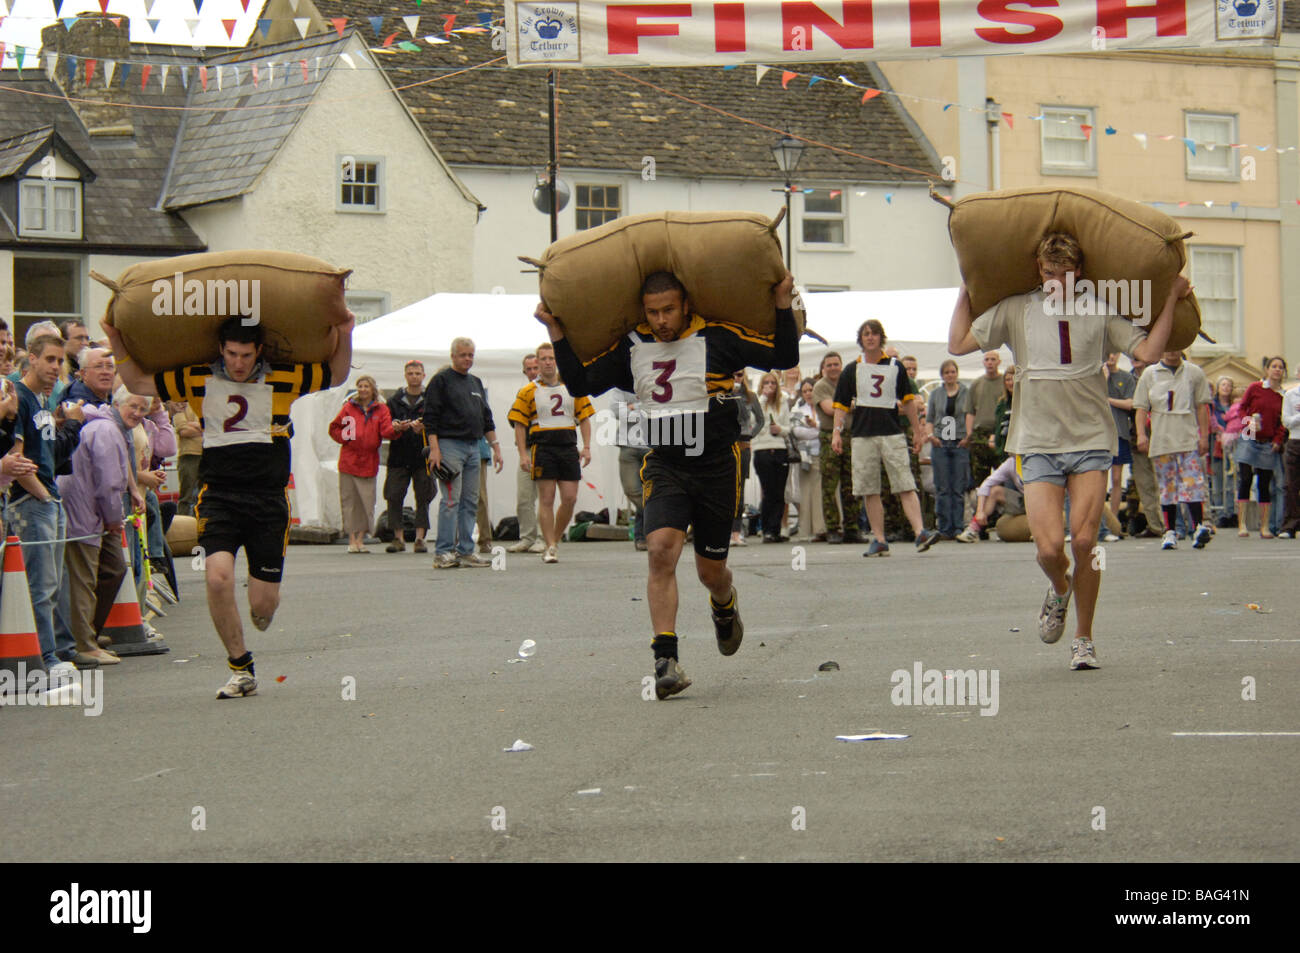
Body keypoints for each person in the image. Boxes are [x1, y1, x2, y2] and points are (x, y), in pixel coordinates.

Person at [536, 269, 798, 699]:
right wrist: (557, 332)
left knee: (710, 572)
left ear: (686, 305)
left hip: (717, 465)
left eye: (668, 310)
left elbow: (782, 354)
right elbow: (581, 382)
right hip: (665, 465)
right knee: (660, 551)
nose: (661, 320)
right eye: (653, 312)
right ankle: (666, 661)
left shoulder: (716, 337)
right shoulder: (633, 345)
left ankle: (725, 603)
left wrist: (784, 303)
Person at [948, 231, 1189, 670]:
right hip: (1037, 442)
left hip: (1091, 440)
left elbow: (1150, 351)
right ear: (1038, 271)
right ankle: (1060, 589)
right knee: (1048, 549)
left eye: (1062, 273)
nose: (1054, 281)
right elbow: (958, 343)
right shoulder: (1017, 308)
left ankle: (1084, 638)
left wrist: (1171, 296)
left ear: (1077, 273)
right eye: (1047, 272)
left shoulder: (1099, 308)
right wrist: (968, 284)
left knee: (1084, 541)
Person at [107, 313, 354, 699]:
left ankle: (262, 605)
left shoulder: (284, 378)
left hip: (268, 502)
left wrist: (345, 329)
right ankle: (240, 668)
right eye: (232, 354)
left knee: (263, 607)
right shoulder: (196, 379)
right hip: (218, 496)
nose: (239, 363)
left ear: (259, 352)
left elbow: (336, 375)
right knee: (217, 577)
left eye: (246, 355)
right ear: (221, 350)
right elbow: (139, 382)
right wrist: (115, 337)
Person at [7, 333, 87, 675]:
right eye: (50, 359)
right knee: (39, 584)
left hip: (49, 496)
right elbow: (16, 457)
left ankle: (50, 651)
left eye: (60, 361)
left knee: (52, 583)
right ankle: (45, 656)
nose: (56, 367)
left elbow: (46, 451)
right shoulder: (21, 398)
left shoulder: (41, 401)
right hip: (31, 501)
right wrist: (41, 494)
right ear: (33, 359)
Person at [831, 318, 940, 556]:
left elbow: (909, 401)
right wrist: (836, 433)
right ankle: (879, 539)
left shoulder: (896, 367)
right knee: (869, 488)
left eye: (874, 333)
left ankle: (920, 531)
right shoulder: (852, 369)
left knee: (905, 483)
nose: (870, 337)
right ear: (861, 339)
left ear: (881, 337)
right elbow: (840, 405)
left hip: (892, 432)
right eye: (866, 334)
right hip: (862, 435)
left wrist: (918, 431)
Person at [59, 388, 145, 667]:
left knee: (104, 571)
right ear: (117, 404)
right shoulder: (107, 431)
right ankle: (84, 643)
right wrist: (112, 519)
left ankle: (86, 635)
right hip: (85, 512)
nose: (138, 413)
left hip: (84, 509)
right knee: (83, 578)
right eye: (133, 406)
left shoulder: (105, 427)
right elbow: (109, 482)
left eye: (143, 409)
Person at [507, 341, 594, 563]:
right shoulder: (528, 391)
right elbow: (519, 424)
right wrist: (523, 455)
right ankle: (550, 546)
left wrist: (586, 447)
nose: (547, 363)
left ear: (557, 361)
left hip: (567, 447)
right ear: (537, 362)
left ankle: (553, 538)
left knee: (570, 498)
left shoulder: (572, 387)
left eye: (551, 358)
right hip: (542, 447)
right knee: (546, 498)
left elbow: (584, 418)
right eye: (543, 359)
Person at [423, 337, 504, 569]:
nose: (467, 359)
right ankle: (443, 552)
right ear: (453, 356)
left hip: (473, 447)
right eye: (463, 355)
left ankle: (466, 551)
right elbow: (431, 417)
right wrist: (435, 449)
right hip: (449, 447)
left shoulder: (476, 383)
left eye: (470, 355)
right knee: (451, 500)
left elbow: (486, 418)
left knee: (470, 500)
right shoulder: (441, 381)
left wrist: (496, 447)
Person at [1133, 349, 1213, 550]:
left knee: (1192, 483)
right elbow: (1141, 408)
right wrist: (1142, 434)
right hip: (1162, 439)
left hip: (1187, 439)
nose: (1172, 352)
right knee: (1167, 487)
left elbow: (1202, 407)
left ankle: (1198, 527)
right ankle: (1170, 531)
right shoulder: (1150, 374)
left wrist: (1204, 436)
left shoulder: (1194, 372)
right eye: (1168, 347)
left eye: (1177, 347)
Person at [329, 375, 395, 554]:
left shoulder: (381, 409)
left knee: (366, 501)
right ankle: (352, 538)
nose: (363, 389)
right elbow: (334, 428)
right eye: (360, 386)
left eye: (366, 386)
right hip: (349, 460)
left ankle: (361, 537)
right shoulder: (348, 408)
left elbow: (386, 430)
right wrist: (345, 438)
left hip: (369, 461)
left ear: (372, 389)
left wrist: (397, 430)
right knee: (349, 500)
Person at [383, 360, 434, 554]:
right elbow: (384, 426)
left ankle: (420, 538)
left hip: (422, 456)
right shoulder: (394, 400)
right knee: (394, 495)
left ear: (423, 376)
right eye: (410, 373)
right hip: (398, 455)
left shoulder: (430, 399)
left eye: (417, 373)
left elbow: (437, 422)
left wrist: (424, 427)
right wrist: (396, 427)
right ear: (405, 375)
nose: (414, 376)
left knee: (424, 495)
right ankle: (398, 538)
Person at [1233, 357, 1287, 538]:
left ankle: (1264, 527)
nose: (1277, 370)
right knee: (1245, 479)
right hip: (1249, 437)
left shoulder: (1282, 396)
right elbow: (1242, 407)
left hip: (1267, 441)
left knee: (1265, 483)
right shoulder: (1255, 388)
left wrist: (1278, 440)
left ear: (1283, 372)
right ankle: (1242, 525)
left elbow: (1282, 422)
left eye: (1280, 367)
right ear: (1266, 369)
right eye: (1274, 366)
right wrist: (1247, 422)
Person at [813, 352, 860, 543]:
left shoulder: (849, 383)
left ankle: (852, 528)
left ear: (841, 365)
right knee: (830, 486)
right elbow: (830, 409)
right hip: (828, 436)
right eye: (829, 365)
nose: (833, 368)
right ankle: (832, 528)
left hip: (851, 436)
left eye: (836, 364)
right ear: (824, 368)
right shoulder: (820, 386)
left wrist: (847, 405)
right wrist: (852, 404)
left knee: (851, 485)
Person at [926, 358, 973, 539]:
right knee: (943, 487)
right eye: (947, 372)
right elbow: (929, 418)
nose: (950, 375)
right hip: (941, 443)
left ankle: (958, 526)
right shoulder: (936, 394)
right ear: (942, 375)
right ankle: (945, 527)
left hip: (960, 443)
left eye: (952, 372)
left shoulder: (966, 393)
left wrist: (968, 436)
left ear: (957, 373)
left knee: (958, 487)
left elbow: (970, 414)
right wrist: (931, 436)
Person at [508, 353, 545, 554]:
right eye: (529, 369)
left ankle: (543, 537)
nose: (533, 372)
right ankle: (527, 537)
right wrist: (522, 453)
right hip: (528, 449)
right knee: (524, 496)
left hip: (547, 448)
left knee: (545, 497)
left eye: (535, 368)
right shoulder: (523, 393)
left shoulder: (554, 389)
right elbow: (517, 422)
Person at [751, 371, 792, 542]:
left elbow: (788, 427)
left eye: (773, 383)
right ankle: (766, 529)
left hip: (780, 448)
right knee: (768, 490)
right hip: (762, 450)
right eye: (766, 383)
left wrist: (780, 430)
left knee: (779, 492)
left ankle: (775, 530)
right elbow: (753, 422)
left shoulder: (783, 401)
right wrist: (763, 398)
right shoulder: (757, 400)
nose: (770, 386)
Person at [1126, 355, 1163, 537]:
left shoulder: (1159, 375)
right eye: (1133, 356)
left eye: (1140, 356)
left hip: (1162, 435)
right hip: (1136, 437)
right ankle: (1155, 525)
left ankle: (1173, 524)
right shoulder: (1127, 379)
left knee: (1164, 482)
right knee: (1144, 483)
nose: (1136, 359)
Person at [612, 387, 651, 551]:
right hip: (628, 446)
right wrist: (642, 408)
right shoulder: (620, 385)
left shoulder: (652, 377)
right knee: (632, 491)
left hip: (652, 444)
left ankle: (643, 537)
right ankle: (656, 522)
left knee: (653, 490)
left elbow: (657, 408)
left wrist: (632, 407)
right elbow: (616, 410)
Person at [1103, 351, 1136, 537]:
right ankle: (1101, 520)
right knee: (1098, 478)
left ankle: (1113, 521)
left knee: (1116, 479)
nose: (1111, 357)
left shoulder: (1126, 377)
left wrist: (1108, 400)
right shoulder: (1096, 376)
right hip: (1100, 434)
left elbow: (1130, 403)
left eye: (1114, 353)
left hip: (1120, 433)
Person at [957, 456, 1026, 542]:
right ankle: (973, 529)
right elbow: (986, 484)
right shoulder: (1011, 463)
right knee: (994, 491)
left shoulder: (1039, 459)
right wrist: (980, 511)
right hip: (1026, 501)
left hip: (1043, 501)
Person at [729, 370, 762, 546]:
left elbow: (761, 420)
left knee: (739, 489)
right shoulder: (723, 395)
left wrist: (750, 434)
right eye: (733, 374)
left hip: (743, 445)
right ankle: (724, 531)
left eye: (740, 374)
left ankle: (736, 531)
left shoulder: (750, 396)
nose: (736, 378)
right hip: (725, 445)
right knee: (723, 488)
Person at [790, 377, 825, 540]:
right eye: (805, 391)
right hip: (805, 457)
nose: (808, 393)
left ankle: (821, 529)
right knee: (805, 493)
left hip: (824, 453)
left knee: (821, 493)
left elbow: (828, 427)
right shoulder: (798, 409)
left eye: (811, 390)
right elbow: (797, 432)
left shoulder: (823, 406)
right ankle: (805, 530)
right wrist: (819, 430)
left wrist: (814, 428)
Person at [966, 350, 1005, 487]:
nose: (990, 362)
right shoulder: (976, 384)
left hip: (1000, 434)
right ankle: (980, 507)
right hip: (979, 435)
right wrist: (969, 433)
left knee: (1002, 477)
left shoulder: (1006, 383)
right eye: (987, 359)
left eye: (993, 359)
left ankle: (1000, 507)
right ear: (983, 362)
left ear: (999, 362)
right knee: (979, 479)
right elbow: (970, 411)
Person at [1208, 376, 1237, 525]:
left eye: (1229, 385)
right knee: (1217, 480)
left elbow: (1248, 427)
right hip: (1217, 448)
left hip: (1233, 448)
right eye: (1223, 384)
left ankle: (1231, 512)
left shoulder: (1237, 405)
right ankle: (1220, 514)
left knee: (1232, 481)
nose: (1226, 387)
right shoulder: (1213, 406)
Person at [171, 399, 203, 515]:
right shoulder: (179, 402)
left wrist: (194, 425)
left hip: (209, 453)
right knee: (187, 497)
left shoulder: (209, 400)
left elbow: (218, 426)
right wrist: (204, 427)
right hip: (188, 455)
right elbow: (183, 431)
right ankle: (183, 527)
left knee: (205, 496)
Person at [1280, 374, 1300, 539]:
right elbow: (1286, 421)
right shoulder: (1290, 395)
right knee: (1291, 484)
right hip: (1295, 441)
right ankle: (1290, 525)